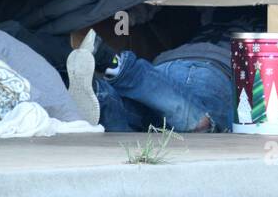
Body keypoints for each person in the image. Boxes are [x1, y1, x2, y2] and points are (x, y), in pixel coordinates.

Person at [66, 23, 236, 134]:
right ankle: (118, 67)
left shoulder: (203, 27)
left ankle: (100, 93)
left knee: (134, 127)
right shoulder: (250, 30)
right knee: (202, 127)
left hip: (161, 69)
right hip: (210, 68)